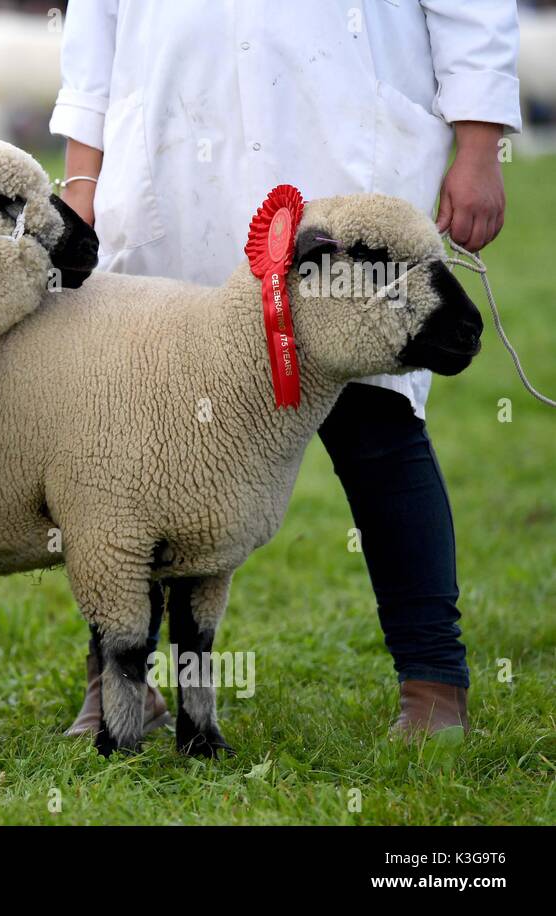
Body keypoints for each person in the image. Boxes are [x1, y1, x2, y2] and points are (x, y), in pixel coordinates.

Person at [50, 0, 520, 738]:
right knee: (143, 456)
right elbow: (94, 21)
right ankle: (120, 686)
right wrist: (83, 179)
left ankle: (433, 688)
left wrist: (479, 145)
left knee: (378, 425)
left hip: (339, 145)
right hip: (173, 153)